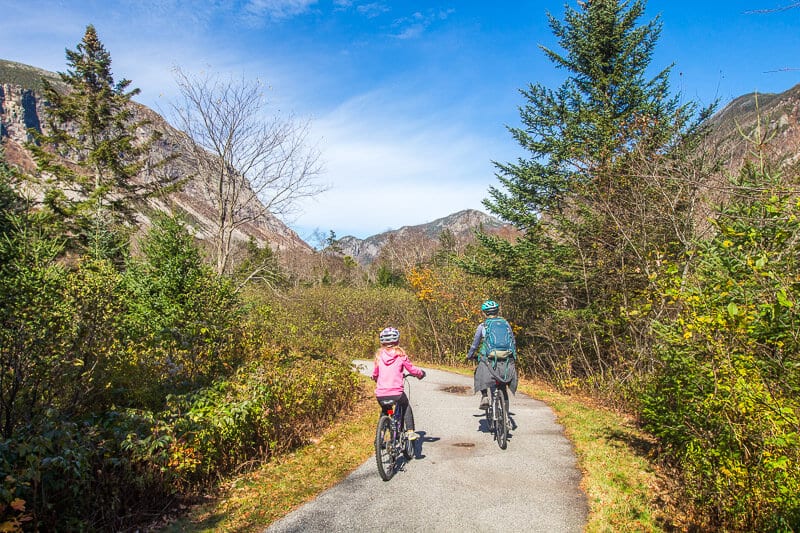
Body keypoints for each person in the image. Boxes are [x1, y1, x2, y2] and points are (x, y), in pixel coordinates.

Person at [372, 327, 426, 440]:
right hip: (396, 393)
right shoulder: (400, 355)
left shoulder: (379, 356)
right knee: (405, 405)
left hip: (381, 394)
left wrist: (375, 378)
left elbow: (375, 374)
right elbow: (411, 369)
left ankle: (380, 436)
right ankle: (410, 431)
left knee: (387, 410)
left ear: (382, 342)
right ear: (397, 341)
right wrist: (420, 374)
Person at [466, 300, 518, 410]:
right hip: (506, 357)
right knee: (502, 382)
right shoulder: (505, 324)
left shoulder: (482, 326)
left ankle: (484, 396)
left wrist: (470, 355)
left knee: (478, 372)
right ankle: (506, 417)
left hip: (489, 357)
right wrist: (514, 356)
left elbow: (475, 345)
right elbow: (513, 341)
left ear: (484, 313)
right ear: (497, 311)